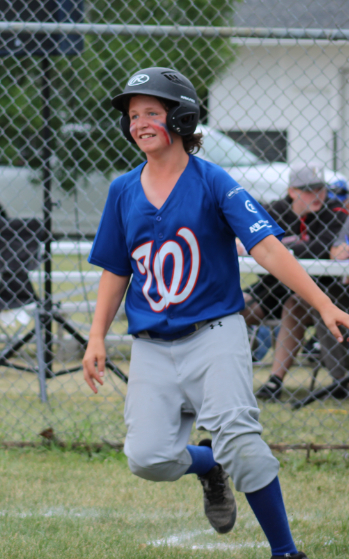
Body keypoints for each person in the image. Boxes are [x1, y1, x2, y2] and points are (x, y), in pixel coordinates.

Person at [83, 66, 349, 559]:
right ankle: (208, 466)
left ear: (180, 118)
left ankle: (286, 552)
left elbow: (268, 249)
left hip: (215, 333)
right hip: (151, 345)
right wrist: (97, 336)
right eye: (133, 115)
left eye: (152, 113)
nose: (139, 122)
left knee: (243, 445)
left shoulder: (212, 181)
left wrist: (323, 301)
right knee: (147, 458)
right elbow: (116, 270)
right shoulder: (123, 190)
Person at [240, 165, 348, 401]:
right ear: (292, 191)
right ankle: (225, 381)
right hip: (273, 286)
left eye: (320, 189)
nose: (316, 195)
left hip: (318, 289)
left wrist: (277, 249)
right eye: (307, 190)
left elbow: (324, 248)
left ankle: (274, 381)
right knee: (236, 307)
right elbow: (246, 240)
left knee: (294, 303)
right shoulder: (275, 210)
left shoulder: (334, 210)